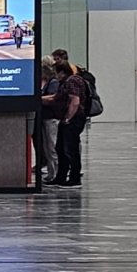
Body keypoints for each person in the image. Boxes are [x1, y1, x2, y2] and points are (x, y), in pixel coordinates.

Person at [50, 49, 89, 187]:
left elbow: (75, 101)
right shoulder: (66, 82)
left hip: (73, 119)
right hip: (66, 119)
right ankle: (61, 176)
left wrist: (68, 118)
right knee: (60, 148)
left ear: (62, 72)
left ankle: (74, 178)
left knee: (70, 149)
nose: (55, 76)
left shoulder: (72, 81)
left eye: (56, 73)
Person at [36, 57, 61, 183]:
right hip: (44, 118)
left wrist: (38, 99)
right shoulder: (45, 82)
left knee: (52, 146)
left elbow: (53, 98)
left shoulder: (53, 82)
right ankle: (51, 173)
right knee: (47, 147)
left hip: (52, 118)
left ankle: (57, 172)